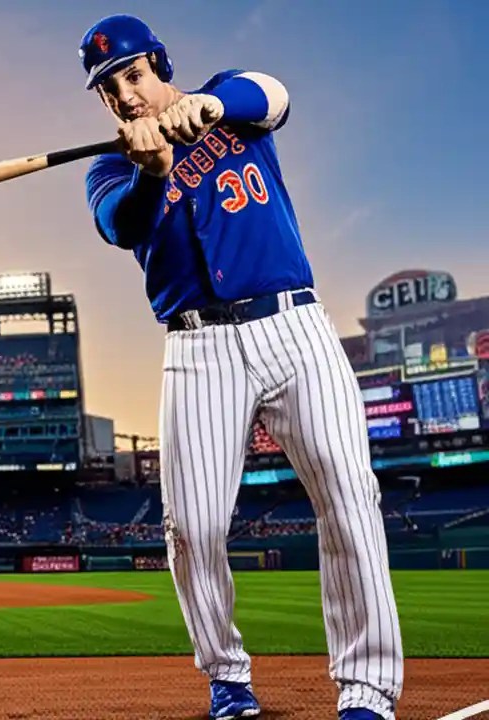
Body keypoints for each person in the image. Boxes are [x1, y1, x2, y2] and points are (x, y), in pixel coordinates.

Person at [78, 14, 403, 720]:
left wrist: (214, 106)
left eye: (134, 75)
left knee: (349, 499)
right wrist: (153, 170)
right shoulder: (109, 167)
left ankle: (368, 691)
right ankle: (227, 677)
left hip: (294, 325)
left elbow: (274, 93)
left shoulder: (230, 103)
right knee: (190, 527)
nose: (126, 96)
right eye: (109, 88)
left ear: (159, 65)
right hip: (199, 350)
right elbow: (122, 226)